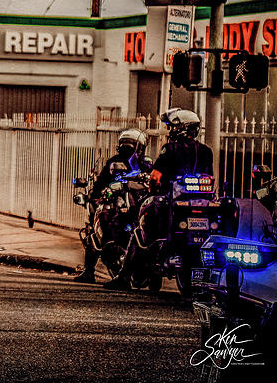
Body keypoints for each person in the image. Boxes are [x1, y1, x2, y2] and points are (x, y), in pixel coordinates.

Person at [104, 109, 213, 290]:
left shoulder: (169, 149)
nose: (170, 131)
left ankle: (124, 277)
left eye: (173, 127)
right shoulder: (206, 151)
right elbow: (208, 176)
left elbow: (155, 177)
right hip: (202, 202)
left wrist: (152, 189)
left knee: (138, 225)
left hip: (169, 200)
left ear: (182, 128)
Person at [73, 128, 149, 284]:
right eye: (126, 144)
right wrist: (96, 196)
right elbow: (101, 184)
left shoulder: (141, 164)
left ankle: (91, 271)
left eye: (130, 144)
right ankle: (89, 270)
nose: (127, 148)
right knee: (97, 223)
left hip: (133, 204)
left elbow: (153, 183)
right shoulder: (123, 163)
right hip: (122, 202)